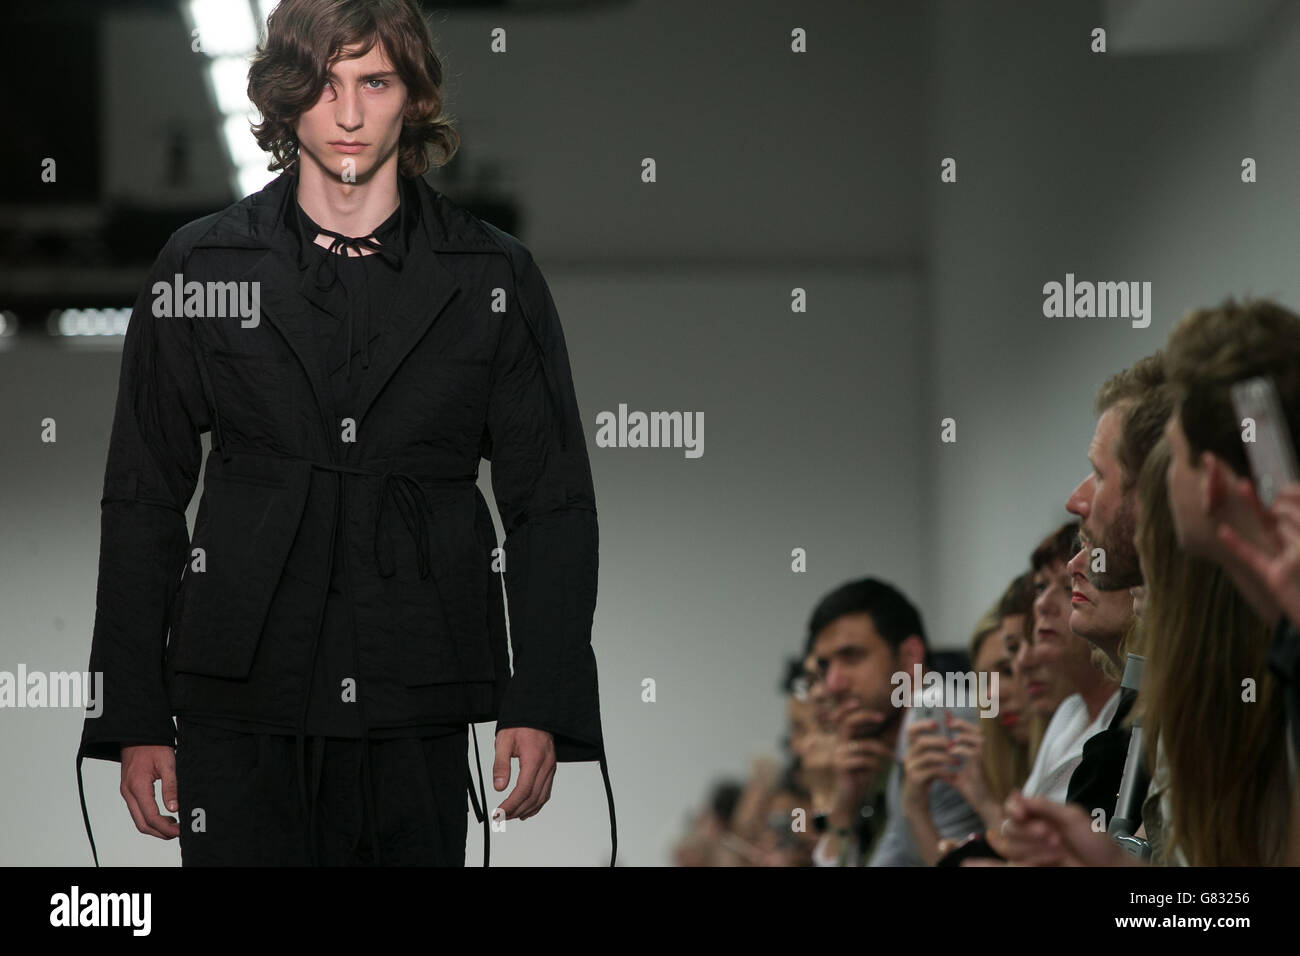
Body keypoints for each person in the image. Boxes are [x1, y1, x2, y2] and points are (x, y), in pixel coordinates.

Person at [75, 0, 614, 866]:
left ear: (415, 96)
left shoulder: (492, 277)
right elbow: (142, 496)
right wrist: (134, 714)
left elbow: (549, 502)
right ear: (286, 99)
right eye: (324, 86)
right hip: (238, 691)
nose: (352, 114)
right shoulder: (204, 267)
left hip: (416, 691)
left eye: (376, 81)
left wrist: (539, 697)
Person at [806, 577, 982, 866]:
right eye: (826, 665)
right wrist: (843, 808)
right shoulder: (901, 737)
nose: (833, 684)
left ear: (910, 656)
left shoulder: (939, 718)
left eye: (852, 656)